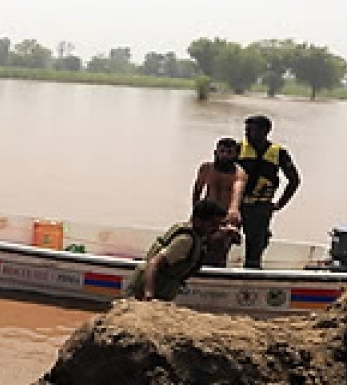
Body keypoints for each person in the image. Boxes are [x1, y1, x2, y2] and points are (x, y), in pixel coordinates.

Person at [126, 199, 229, 301]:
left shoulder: (197, 234)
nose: (216, 228)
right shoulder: (185, 241)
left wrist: (226, 232)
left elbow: (209, 235)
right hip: (147, 289)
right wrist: (148, 293)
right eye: (213, 224)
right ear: (198, 222)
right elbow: (154, 263)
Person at [236, 115, 299, 269]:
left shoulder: (279, 153)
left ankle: (251, 274)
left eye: (252, 130)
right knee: (222, 239)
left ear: (265, 131)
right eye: (246, 130)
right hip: (236, 204)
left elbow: (294, 180)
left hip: (261, 206)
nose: (247, 134)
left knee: (256, 245)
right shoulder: (237, 148)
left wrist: (280, 204)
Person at [191, 137, 248, 266]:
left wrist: (233, 210)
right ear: (215, 152)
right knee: (198, 246)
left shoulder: (239, 174)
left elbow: (237, 192)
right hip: (206, 213)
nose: (225, 155)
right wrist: (195, 211)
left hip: (225, 216)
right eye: (222, 151)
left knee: (219, 249)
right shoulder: (206, 168)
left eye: (229, 152)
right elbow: (197, 190)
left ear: (235, 155)